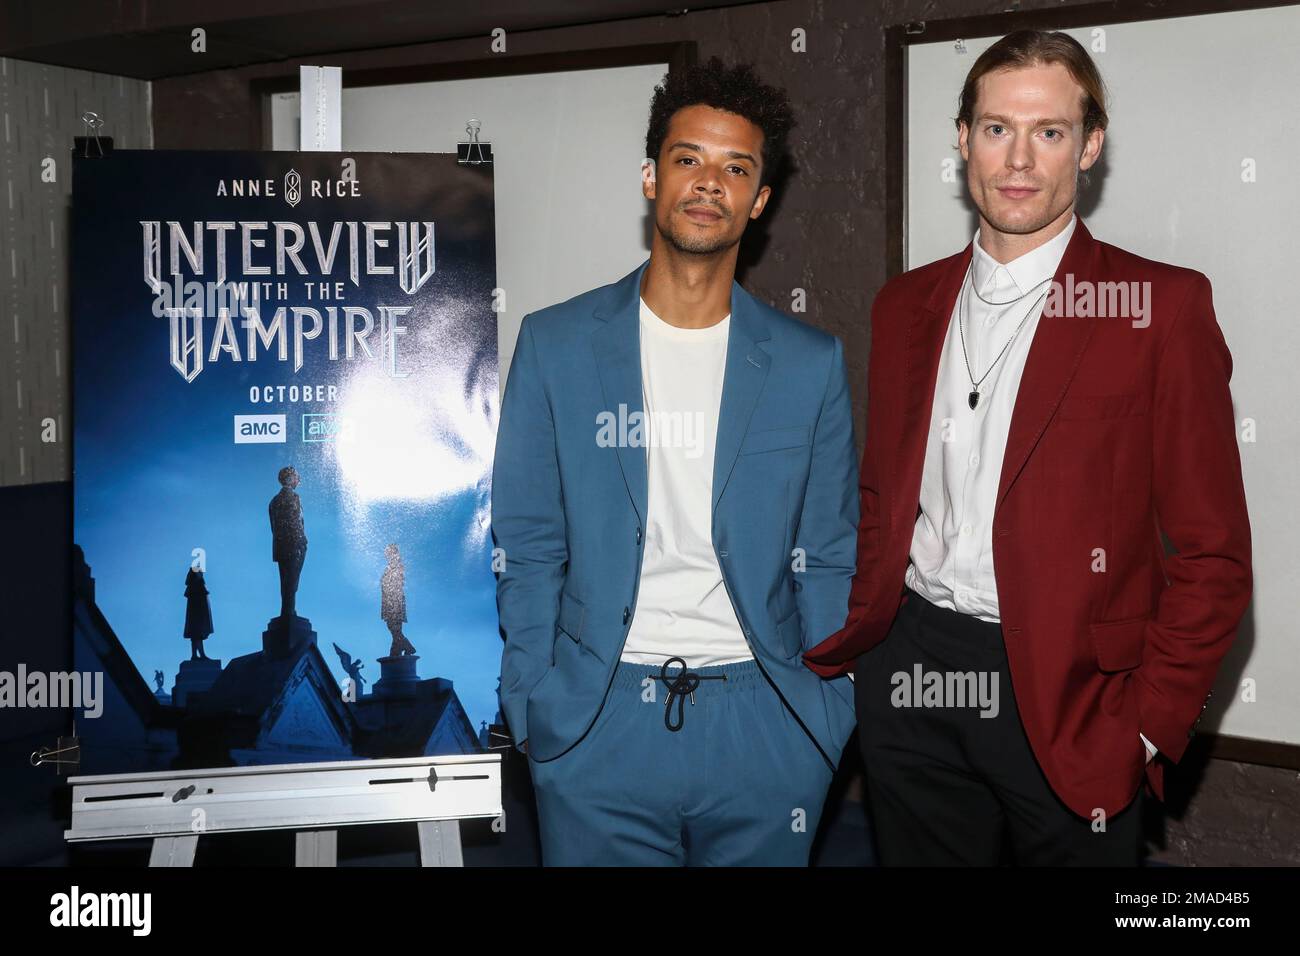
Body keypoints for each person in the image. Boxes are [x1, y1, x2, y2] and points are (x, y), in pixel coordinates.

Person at [805, 29, 1252, 866]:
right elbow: (885, 495)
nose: (1018, 158)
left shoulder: (1159, 308)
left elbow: (1213, 554)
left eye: (1048, 131)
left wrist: (1149, 727)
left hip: (1077, 700)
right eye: (995, 127)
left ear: (1089, 147)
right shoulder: (904, 305)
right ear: (963, 139)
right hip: (912, 675)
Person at [492, 57, 858, 865]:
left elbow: (829, 555)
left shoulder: (808, 363)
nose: (708, 183)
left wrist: (827, 716)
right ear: (652, 177)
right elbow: (526, 541)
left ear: (760, 201)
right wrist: (532, 698)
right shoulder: (555, 346)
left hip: (767, 727)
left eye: (736, 168)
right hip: (596, 721)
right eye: (689, 159)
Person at [268, 465, 308, 618]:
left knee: (285, 581)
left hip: (281, 547)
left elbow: (274, 527)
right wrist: (302, 541)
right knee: (292, 581)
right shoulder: (294, 497)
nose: (298, 480)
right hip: (294, 546)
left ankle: (287, 610)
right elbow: (296, 523)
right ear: (290, 479)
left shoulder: (274, 501)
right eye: (297, 477)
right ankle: (289, 612)